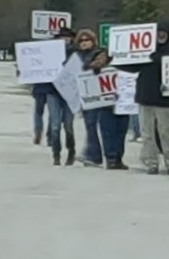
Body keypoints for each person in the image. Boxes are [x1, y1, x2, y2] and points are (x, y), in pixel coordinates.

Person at [115, 22, 169, 175]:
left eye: (164, 31)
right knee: (147, 134)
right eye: (158, 32)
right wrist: (116, 59)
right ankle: (151, 163)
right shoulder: (142, 50)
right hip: (145, 96)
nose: (161, 35)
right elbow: (132, 66)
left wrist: (154, 57)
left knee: (166, 133)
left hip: (164, 98)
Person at [83, 47, 130, 170]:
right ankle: (111, 158)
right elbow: (84, 74)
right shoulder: (95, 70)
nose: (101, 59)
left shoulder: (122, 67)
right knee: (108, 133)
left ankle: (119, 158)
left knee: (121, 132)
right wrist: (94, 65)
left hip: (122, 105)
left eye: (103, 57)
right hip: (105, 107)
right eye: (98, 57)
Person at [47, 28, 78, 166]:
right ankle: (56, 154)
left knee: (68, 125)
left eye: (68, 37)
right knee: (54, 126)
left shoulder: (77, 54)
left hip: (70, 93)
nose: (65, 40)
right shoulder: (49, 52)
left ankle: (71, 151)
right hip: (53, 92)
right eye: (62, 37)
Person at [73, 29, 104, 167]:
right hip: (82, 94)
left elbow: (99, 66)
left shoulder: (98, 54)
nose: (84, 43)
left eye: (87, 40)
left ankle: (95, 155)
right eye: (81, 41)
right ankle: (89, 151)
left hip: (95, 95)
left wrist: (89, 66)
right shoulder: (76, 56)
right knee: (88, 125)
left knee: (92, 124)